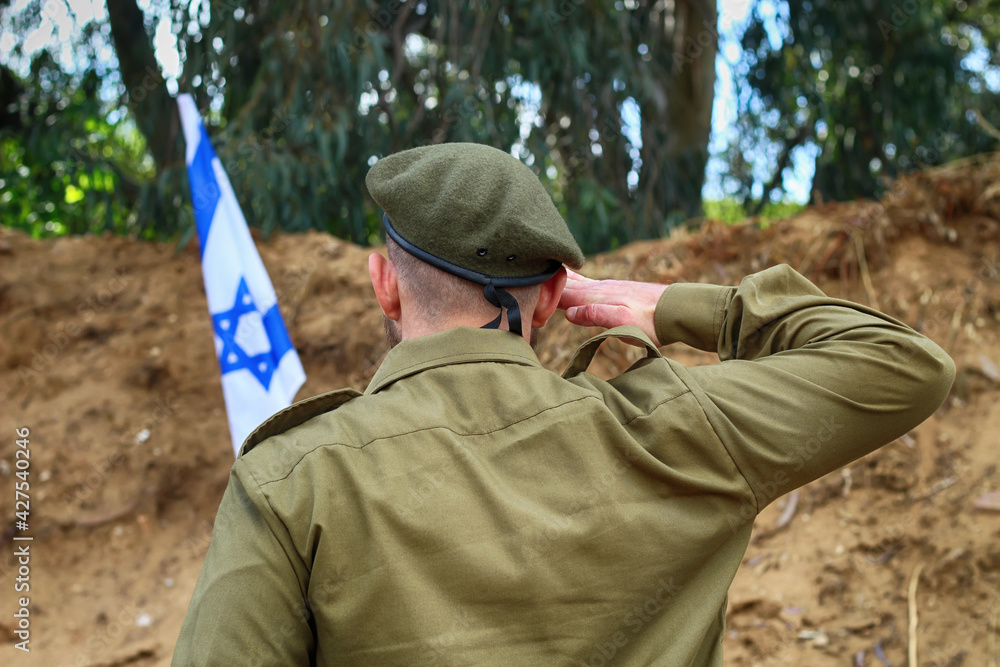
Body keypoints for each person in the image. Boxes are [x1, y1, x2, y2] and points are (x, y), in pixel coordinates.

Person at [172, 142, 955, 666]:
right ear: (549, 300)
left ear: (384, 283)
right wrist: (676, 307)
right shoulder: (672, 429)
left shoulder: (289, 484)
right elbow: (903, 364)